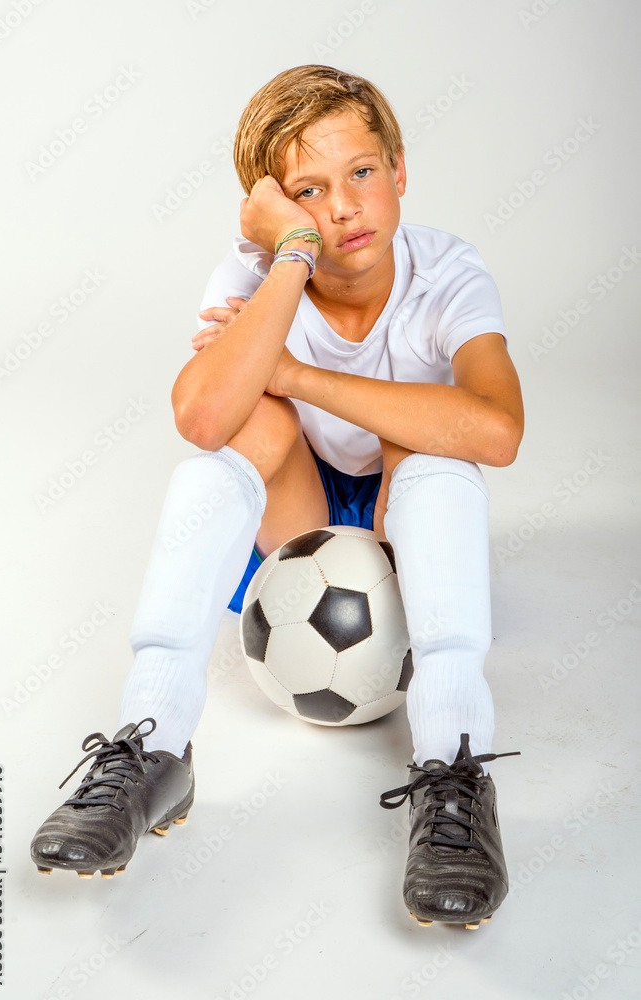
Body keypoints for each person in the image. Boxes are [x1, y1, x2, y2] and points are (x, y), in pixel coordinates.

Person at [30, 64, 524, 928]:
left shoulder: (447, 272)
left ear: (399, 169)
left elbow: (497, 431)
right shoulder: (259, 268)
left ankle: (453, 775)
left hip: (409, 518)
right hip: (296, 526)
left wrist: (296, 372)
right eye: (309, 191)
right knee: (243, 432)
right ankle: (150, 748)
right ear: (275, 207)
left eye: (362, 173)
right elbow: (202, 416)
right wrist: (286, 261)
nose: (342, 209)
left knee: (432, 442)